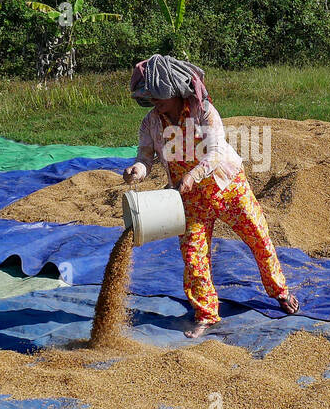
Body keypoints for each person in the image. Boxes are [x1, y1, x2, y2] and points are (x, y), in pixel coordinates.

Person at [123, 54, 300, 337]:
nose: (154, 102)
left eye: (160, 96)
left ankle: (279, 291)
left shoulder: (203, 113)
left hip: (228, 187)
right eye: (150, 97)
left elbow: (216, 152)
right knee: (193, 254)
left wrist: (193, 175)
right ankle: (206, 314)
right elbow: (145, 157)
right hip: (190, 198)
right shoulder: (151, 123)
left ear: (176, 91)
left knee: (258, 237)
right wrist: (137, 169)